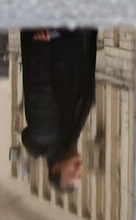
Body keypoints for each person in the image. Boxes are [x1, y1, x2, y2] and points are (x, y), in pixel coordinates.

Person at [19, 28, 98, 192]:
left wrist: (41, 46)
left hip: (56, 38)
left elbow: (40, 88)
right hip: (70, 38)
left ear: (56, 168)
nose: (79, 168)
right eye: (80, 174)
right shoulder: (68, 137)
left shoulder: (45, 134)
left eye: (73, 173)